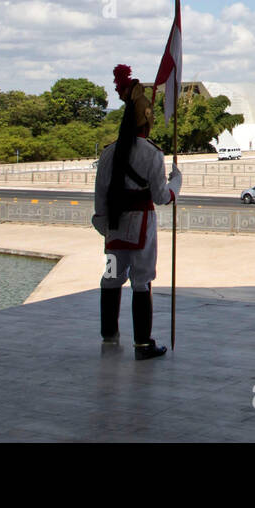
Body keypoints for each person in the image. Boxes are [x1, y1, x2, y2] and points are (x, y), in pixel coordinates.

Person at [92, 65, 183, 360]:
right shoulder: (152, 153)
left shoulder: (108, 152)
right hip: (142, 227)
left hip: (114, 228)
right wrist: (176, 183)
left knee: (110, 277)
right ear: (147, 121)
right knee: (142, 281)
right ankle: (142, 343)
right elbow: (160, 196)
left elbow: (100, 197)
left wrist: (104, 225)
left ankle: (109, 335)